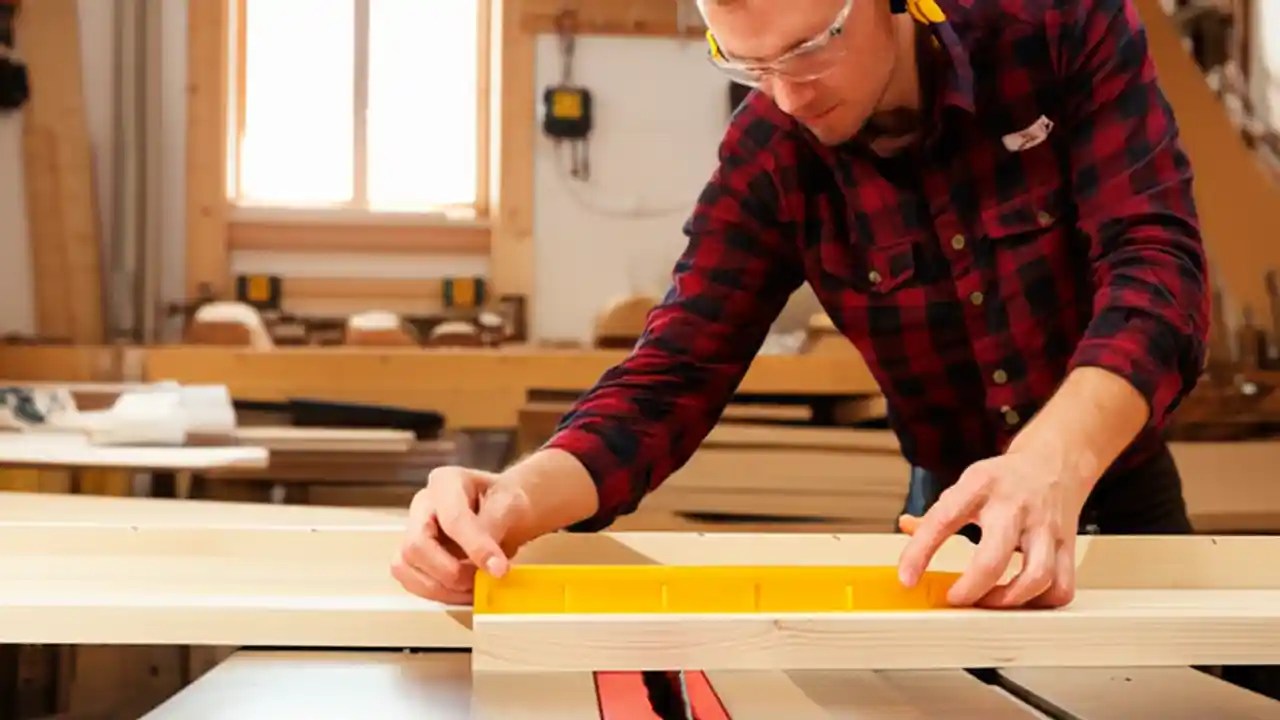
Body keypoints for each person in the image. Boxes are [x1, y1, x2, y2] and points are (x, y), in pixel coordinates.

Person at [391, 0, 1210, 613]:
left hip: (1112, 475)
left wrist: (1049, 464)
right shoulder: (771, 153)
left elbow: (1157, 267)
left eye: (811, 51)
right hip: (943, 516)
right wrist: (515, 501)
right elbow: (670, 376)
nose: (786, 97)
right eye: (748, 66)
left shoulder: (1058, 30)